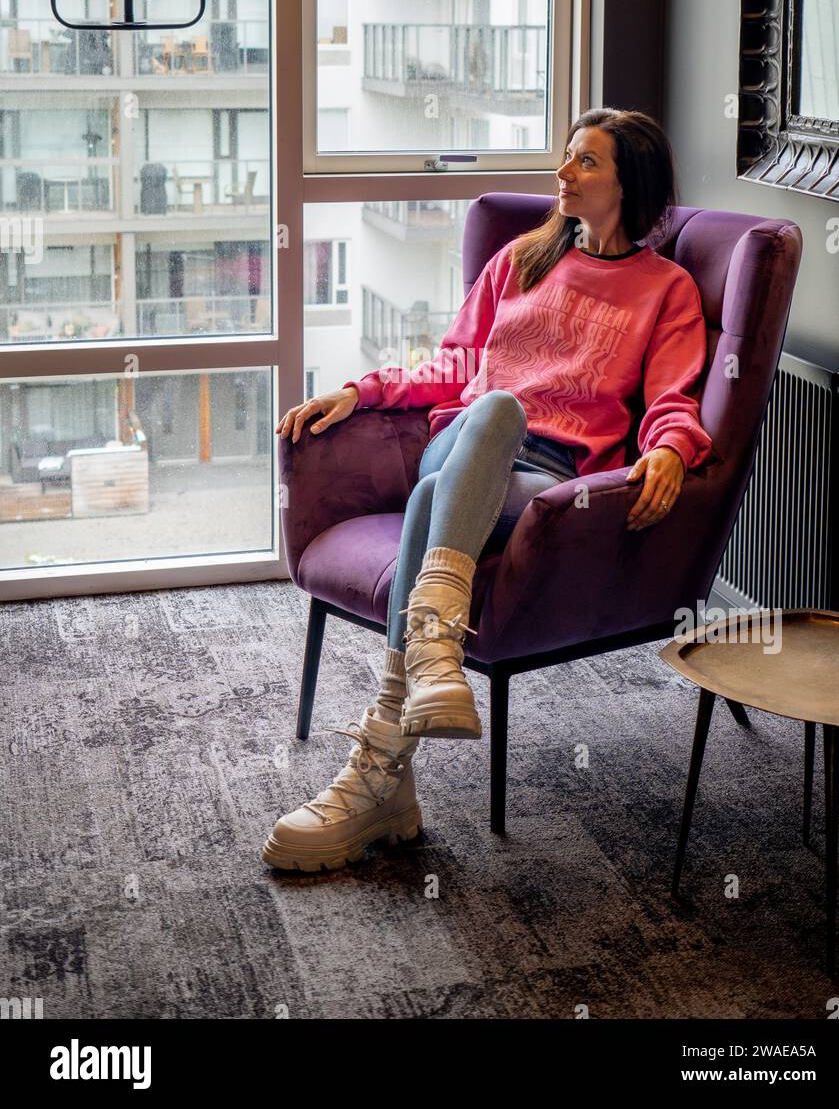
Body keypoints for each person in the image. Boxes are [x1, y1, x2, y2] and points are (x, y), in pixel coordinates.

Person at [262, 107, 714, 873]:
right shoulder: (522, 260)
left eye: (586, 163)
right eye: (566, 157)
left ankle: (384, 773)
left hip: (547, 481)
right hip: (470, 437)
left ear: (628, 183)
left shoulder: (666, 290)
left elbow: (676, 396)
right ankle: (433, 658)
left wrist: (671, 447)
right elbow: (451, 364)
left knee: (434, 492)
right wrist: (360, 390)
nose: (563, 173)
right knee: (493, 409)